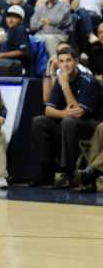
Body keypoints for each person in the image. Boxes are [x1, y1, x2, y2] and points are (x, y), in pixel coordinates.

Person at [31, 47, 102, 188]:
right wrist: (64, 113)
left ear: (76, 62)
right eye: (61, 61)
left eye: (68, 60)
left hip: (92, 126)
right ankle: (46, 172)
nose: (65, 65)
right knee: (39, 121)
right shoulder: (60, 79)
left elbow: (79, 113)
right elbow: (48, 110)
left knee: (68, 122)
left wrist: (65, 86)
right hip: (69, 122)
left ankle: (70, 173)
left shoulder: (89, 81)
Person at [0, 5, 31, 73]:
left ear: (21, 20)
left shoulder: (20, 29)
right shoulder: (7, 31)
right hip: (4, 65)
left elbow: (24, 51)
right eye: (8, 17)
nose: (10, 20)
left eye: (14, 17)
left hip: (17, 67)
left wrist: (3, 55)